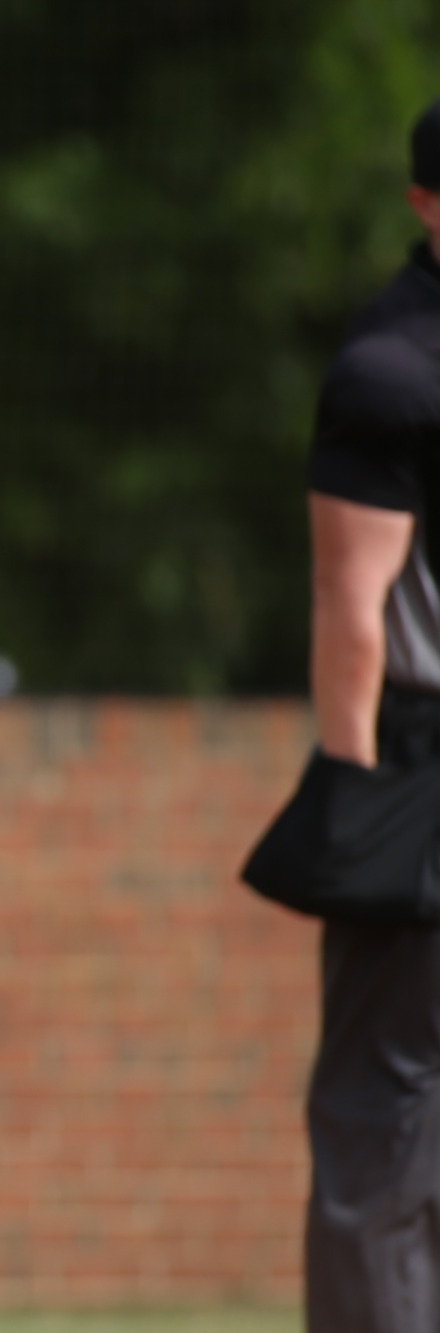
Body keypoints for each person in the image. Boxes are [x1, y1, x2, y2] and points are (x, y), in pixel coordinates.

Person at [296, 94, 440, 1332]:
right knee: (383, 1117)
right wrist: (356, 800)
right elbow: (353, 606)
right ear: (423, 206)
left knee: (380, 1117)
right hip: (417, 765)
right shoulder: (391, 373)